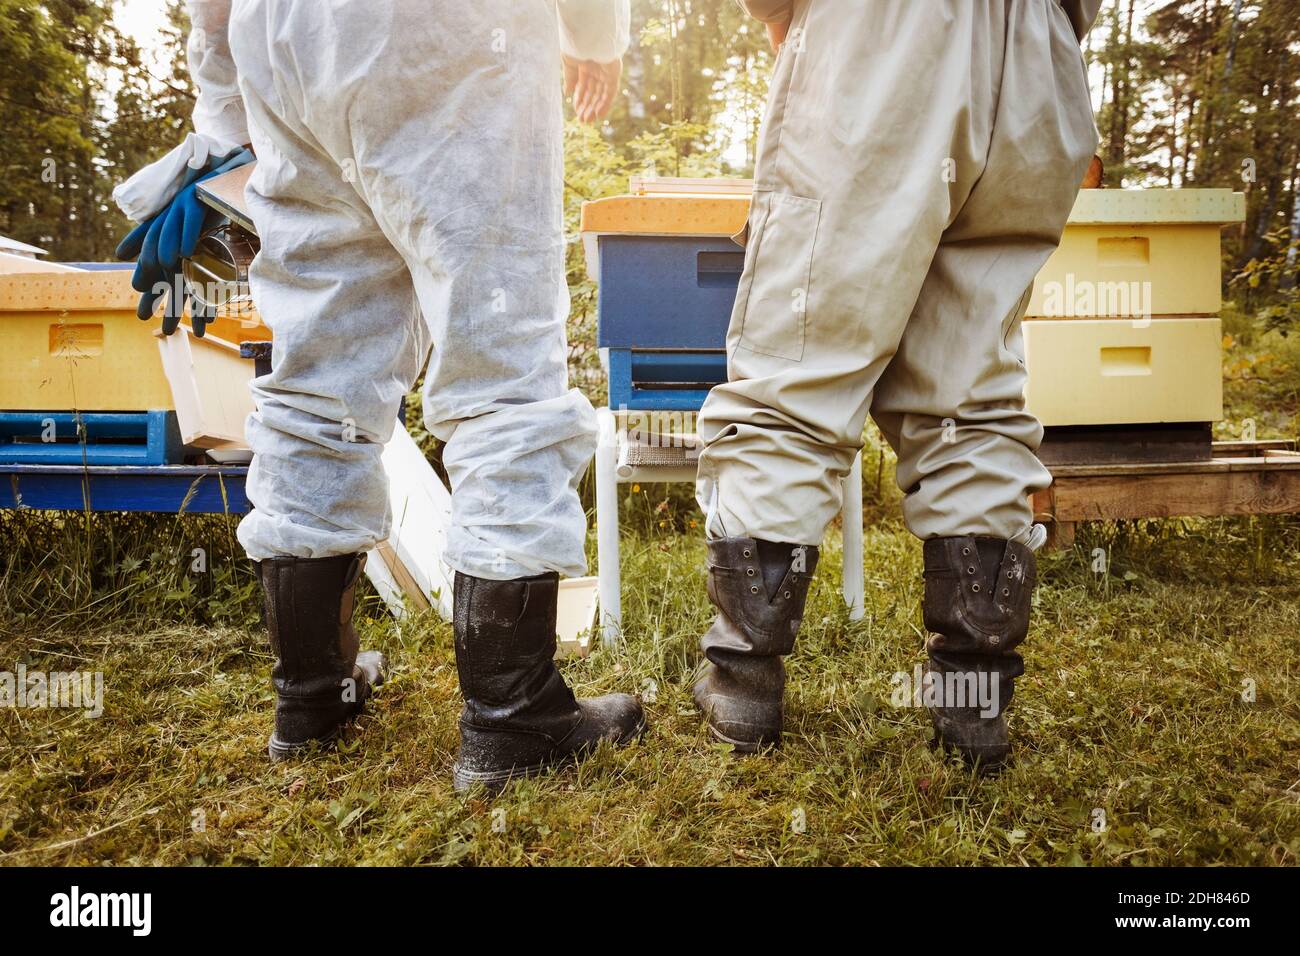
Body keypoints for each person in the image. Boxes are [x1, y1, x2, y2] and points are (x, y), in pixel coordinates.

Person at [114, 0, 643, 791]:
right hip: (452, 31)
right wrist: (594, 37)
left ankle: (310, 698)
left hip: (286, 40)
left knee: (318, 364)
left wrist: (223, 109)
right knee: (502, 365)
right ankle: (511, 716)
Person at [693, 0, 1103, 769]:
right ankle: (971, 701)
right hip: (1042, 53)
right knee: (972, 391)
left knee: (801, 364)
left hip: (882, 37)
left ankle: (745, 684)